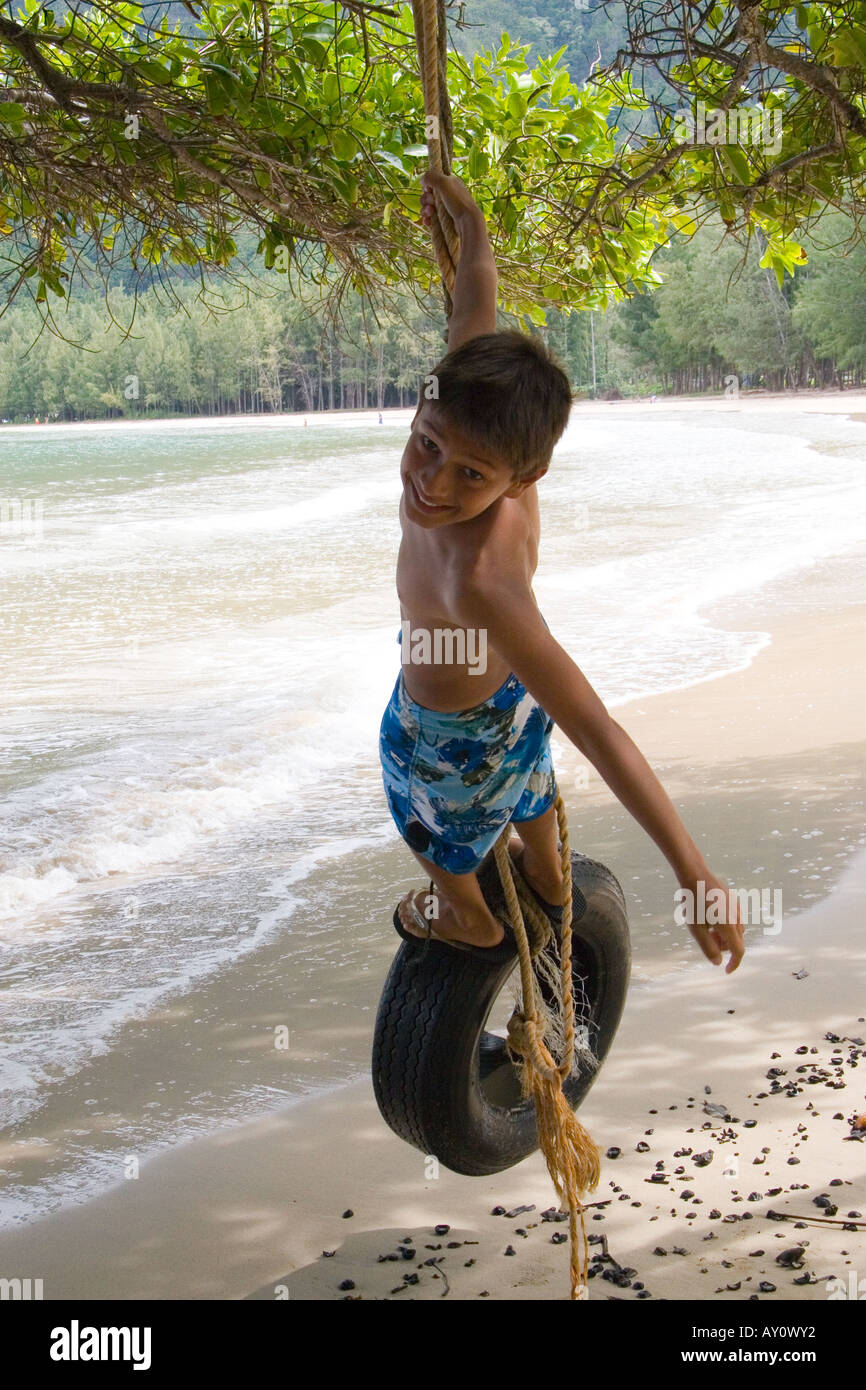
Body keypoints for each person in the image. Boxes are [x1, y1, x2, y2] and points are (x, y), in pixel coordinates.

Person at [379, 170, 744, 973]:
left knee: (410, 793)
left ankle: (470, 917)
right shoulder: (478, 407)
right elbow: (474, 304)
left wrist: (694, 873)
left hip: (442, 738)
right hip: (508, 704)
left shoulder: (481, 584)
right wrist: (471, 222)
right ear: (425, 403)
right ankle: (547, 874)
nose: (431, 483)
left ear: (522, 481)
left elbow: (599, 730)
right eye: (425, 443)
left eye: (469, 476)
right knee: (528, 771)